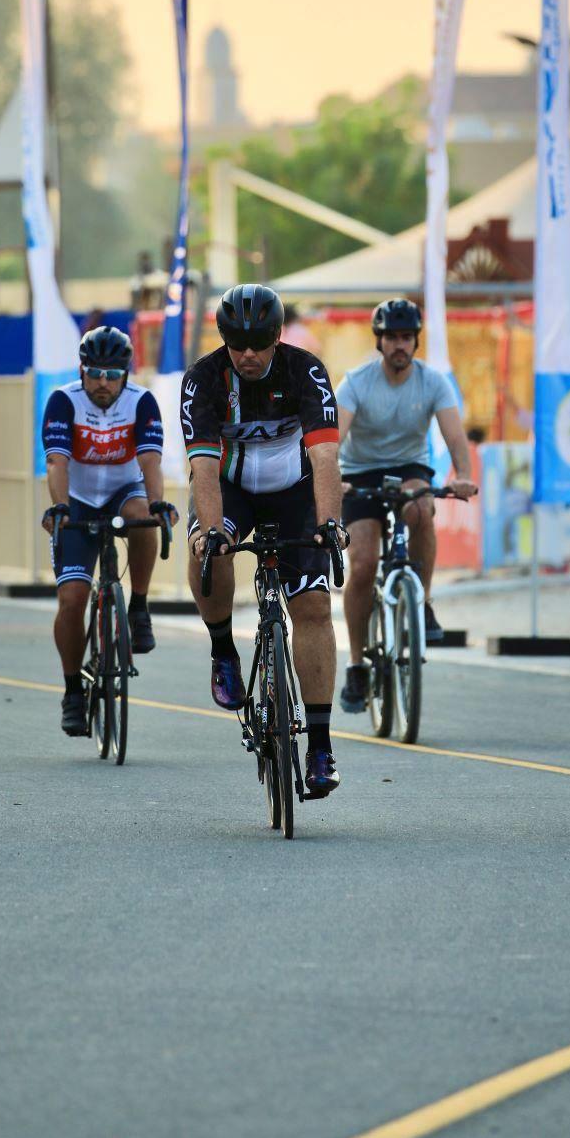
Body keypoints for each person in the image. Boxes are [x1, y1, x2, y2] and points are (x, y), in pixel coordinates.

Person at [182, 282, 348, 798]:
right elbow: (204, 473)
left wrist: (329, 524)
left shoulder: (306, 370)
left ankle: (319, 748)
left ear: (278, 336)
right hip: (232, 490)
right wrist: (211, 534)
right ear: (224, 339)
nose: (249, 354)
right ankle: (222, 650)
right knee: (205, 546)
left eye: (259, 343)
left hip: (295, 491)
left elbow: (325, 460)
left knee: (315, 609)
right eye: (238, 343)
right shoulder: (203, 380)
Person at [335, 299, 477, 713]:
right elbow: (336, 434)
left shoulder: (433, 382)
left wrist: (463, 474)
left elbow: (453, 434)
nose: (399, 345)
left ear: (415, 342)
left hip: (410, 466)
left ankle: (423, 602)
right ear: (379, 342)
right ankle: (357, 663)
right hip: (359, 472)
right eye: (391, 338)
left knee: (421, 509)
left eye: (406, 338)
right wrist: (335, 480)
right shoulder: (357, 382)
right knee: (361, 565)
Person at [41, 326, 177, 737]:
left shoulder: (142, 402)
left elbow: (150, 460)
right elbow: (57, 463)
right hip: (79, 497)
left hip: (124, 490)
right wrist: (61, 507)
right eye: (95, 373)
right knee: (72, 598)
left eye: (112, 374)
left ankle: (137, 606)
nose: (103, 382)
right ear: (82, 371)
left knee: (142, 515)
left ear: (126, 374)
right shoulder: (64, 401)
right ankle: (71, 692)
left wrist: (157, 504)